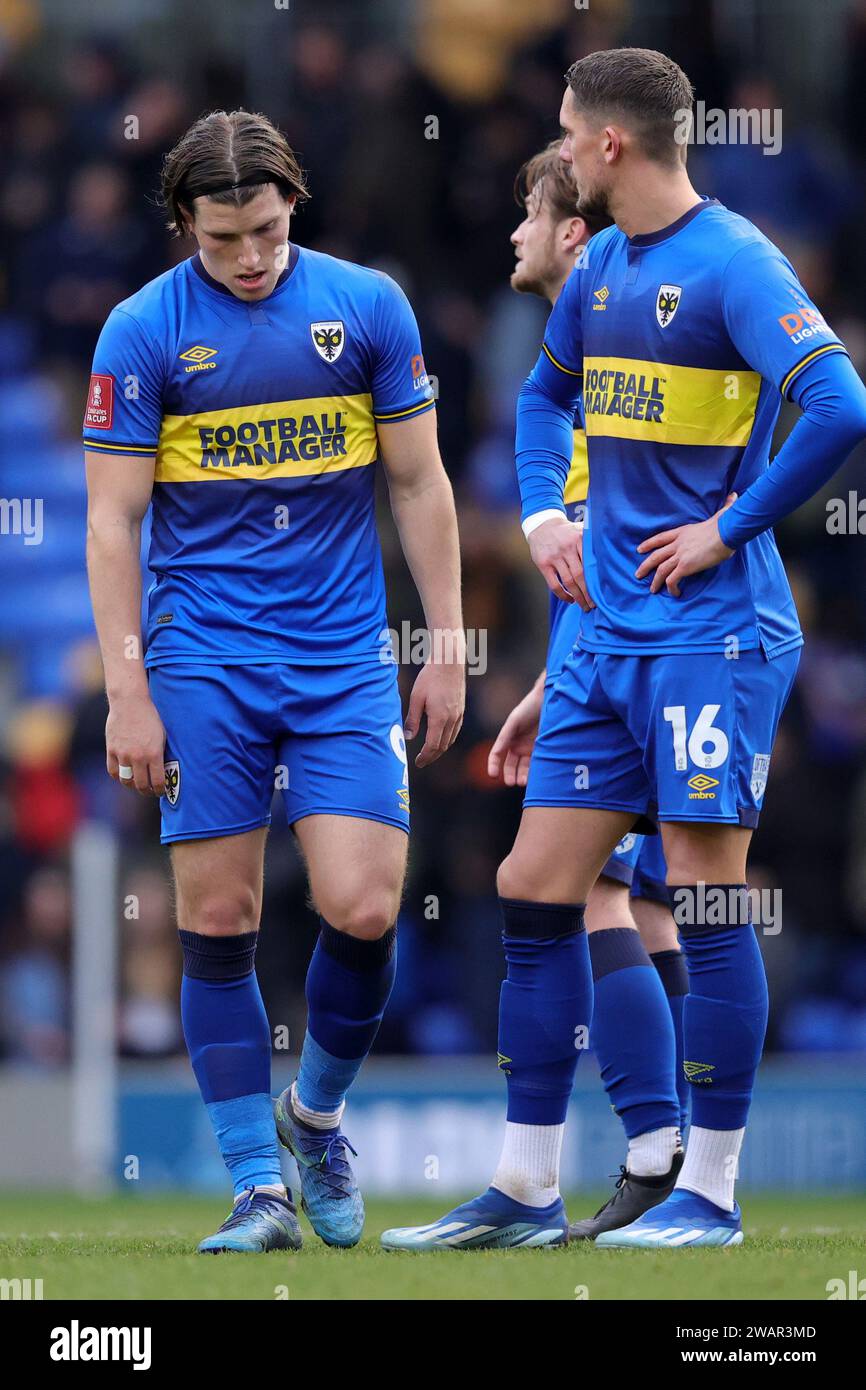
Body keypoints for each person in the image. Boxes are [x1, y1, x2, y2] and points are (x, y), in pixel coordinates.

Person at [384, 47, 866, 1251]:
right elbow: (544, 402)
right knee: (532, 887)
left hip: (711, 632)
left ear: (608, 145)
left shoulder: (734, 263)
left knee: (703, 897)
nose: (551, 138)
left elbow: (841, 404)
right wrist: (546, 514)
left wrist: (726, 527)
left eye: (563, 125)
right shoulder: (598, 272)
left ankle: (707, 1188)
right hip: (604, 641)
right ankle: (527, 1187)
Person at [84, 109, 464, 1253]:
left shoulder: (366, 306)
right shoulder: (142, 331)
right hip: (201, 654)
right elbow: (112, 520)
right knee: (218, 915)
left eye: (263, 229)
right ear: (182, 227)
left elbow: (418, 480)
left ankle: (316, 1116)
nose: (248, 258)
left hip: (343, 656)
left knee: (362, 904)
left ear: (292, 203)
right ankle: (257, 1188)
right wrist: (126, 689)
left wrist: (444, 636)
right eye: (220, 240)